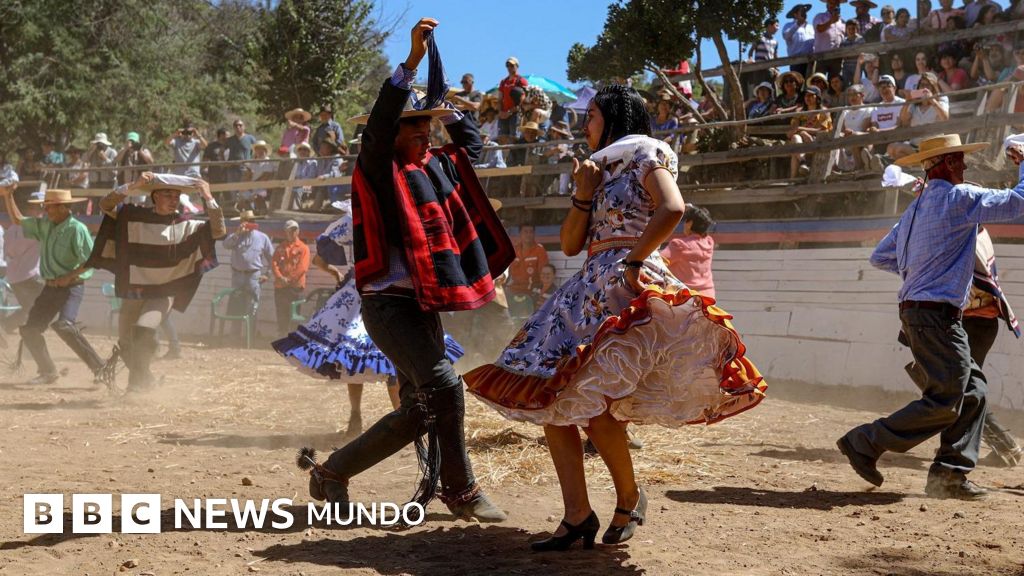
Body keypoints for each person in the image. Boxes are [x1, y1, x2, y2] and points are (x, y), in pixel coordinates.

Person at [464, 84, 766, 551]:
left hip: (627, 285)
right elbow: (569, 244)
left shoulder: (647, 150)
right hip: (588, 285)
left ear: (613, 117)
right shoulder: (596, 169)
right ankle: (577, 516)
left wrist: (632, 263)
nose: (585, 126)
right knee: (553, 402)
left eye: (591, 117)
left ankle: (629, 497)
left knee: (597, 409)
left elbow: (672, 208)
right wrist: (583, 194)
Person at [304, 18, 514, 522]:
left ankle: (332, 472)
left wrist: (446, 106)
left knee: (422, 408)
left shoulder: (434, 166)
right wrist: (413, 64)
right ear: (392, 134)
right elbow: (379, 126)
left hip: (421, 305)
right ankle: (461, 491)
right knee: (445, 385)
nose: (423, 133)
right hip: (387, 305)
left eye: (427, 126)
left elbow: (474, 149)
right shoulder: (378, 167)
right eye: (414, 126)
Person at [838, 134, 1024, 499]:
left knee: (972, 391)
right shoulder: (960, 198)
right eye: (959, 160)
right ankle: (865, 441)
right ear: (947, 164)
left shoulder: (915, 209)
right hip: (938, 315)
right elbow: (1020, 202)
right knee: (949, 397)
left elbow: (880, 256)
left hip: (917, 312)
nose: (965, 166)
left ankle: (950, 475)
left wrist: (920, 273)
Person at [272, 202, 465, 436]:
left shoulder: (349, 220)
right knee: (392, 354)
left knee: (353, 359)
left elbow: (319, 259)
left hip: (357, 290)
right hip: (389, 288)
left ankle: (358, 418)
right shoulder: (394, 214)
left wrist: (336, 273)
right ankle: (403, 420)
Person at [87, 173, 224, 393]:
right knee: (126, 345)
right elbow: (105, 204)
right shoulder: (133, 215)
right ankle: (146, 379)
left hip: (164, 291)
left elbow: (218, 230)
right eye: (167, 194)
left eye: (176, 195)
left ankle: (135, 386)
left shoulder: (187, 224)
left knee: (142, 331)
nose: (173, 199)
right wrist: (133, 186)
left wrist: (208, 197)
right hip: (136, 290)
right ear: (154, 197)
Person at [0, 187, 106, 384]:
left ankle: (101, 368)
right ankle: (48, 371)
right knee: (30, 329)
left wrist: (69, 276)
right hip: (50, 287)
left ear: (64, 208)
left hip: (71, 287)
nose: (46, 210)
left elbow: (92, 260)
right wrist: (8, 196)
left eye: (50, 207)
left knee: (64, 326)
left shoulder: (77, 229)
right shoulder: (46, 225)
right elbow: (17, 220)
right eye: (46, 206)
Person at [964, 224, 1022, 468]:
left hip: (972, 321)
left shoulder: (967, 237)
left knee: (961, 389)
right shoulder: (978, 233)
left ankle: (1006, 444)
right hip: (981, 321)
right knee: (963, 387)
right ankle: (962, 444)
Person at [222, 210, 274, 342]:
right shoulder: (236, 236)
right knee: (236, 304)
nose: (250, 223)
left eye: (252, 221)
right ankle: (235, 336)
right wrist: (237, 233)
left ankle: (249, 337)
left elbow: (273, 259)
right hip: (238, 275)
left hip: (254, 275)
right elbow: (225, 245)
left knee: (252, 306)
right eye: (247, 221)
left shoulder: (262, 237)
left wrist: (268, 274)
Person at [2, 190, 43, 332]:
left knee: (30, 308)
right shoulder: (36, 227)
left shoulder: (12, 228)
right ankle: (9, 326)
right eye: (39, 208)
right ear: (30, 209)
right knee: (38, 309)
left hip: (15, 277)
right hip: (30, 276)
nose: (41, 212)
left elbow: (9, 251)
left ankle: (7, 325)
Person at [660, 204, 716, 299]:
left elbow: (657, 262)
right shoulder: (709, 242)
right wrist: (694, 210)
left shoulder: (679, 245)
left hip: (686, 298)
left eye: (686, 221)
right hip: (708, 297)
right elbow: (703, 219)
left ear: (690, 224)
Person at [888, 73, 949, 160]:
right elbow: (904, 120)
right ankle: (914, 165)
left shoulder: (941, 100)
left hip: (933, 146)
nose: (924, 88)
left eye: (928, 85)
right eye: (922, 85)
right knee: (890, 147)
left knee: (898, 150)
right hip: (915, 146)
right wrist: (907, 101)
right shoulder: (914, 104)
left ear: (934, 87)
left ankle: (887, 162)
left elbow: (945, 118)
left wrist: (932, 100)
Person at [271, 220, 310, 336]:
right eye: (289, 230)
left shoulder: (303, 248)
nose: (292, 232)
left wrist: (288, 279)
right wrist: (280, 277)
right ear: (285, 232)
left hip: (295, 287)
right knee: (281, 314)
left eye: (294, 230)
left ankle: (293, 340)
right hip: (281, 286)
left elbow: (302, 267)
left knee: (294, 315)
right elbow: (274, 263)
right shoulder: (280, 247)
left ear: (298, 231)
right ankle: (282, 337)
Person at [505, 223, 549, 321]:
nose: (528, 234)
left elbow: (544, 275)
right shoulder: (514, 250)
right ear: (520, 234)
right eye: (525, 232)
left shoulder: (539, 250)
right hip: (513, 290)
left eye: (531, 232)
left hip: (531, 291)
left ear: (534, 234)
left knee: (524, 318)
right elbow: (506, 273)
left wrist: (542, 291)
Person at [788, 86, 832, 178]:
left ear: (817, 97)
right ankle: (803, 163)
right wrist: (802, 133)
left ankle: (793, 178)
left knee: (796, 150)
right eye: (805, 96)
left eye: (811, 95)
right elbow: (791, 132)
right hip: (800, 140)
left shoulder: (824, 111)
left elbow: (823, 130)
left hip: (818, 140)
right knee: (796, 139)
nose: (807, 98)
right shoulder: (799, 112)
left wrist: (803, 130)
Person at [813, 0, 847, 79]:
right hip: (821, 57)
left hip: (837, 58)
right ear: (827, 4)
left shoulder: (843, 21)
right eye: (832, 2)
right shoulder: (820, 16)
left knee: (835, 82)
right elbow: (819, 29)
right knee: (819, 81)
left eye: (836, 3)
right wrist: (831, 21)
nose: (834, 5)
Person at [499, 57, 528, 144]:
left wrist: (510, 112)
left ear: (517, 66)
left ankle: (513, 157)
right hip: (504, 113)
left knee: (514, 137)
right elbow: (500, 99)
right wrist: (500, 112)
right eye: (507, 65)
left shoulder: (521, 80)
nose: (509, 67)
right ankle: (504, 157)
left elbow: (523, 99)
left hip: (515, 113)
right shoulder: (504, 81)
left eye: (512, 65)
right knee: (502, 137)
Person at [783, 4, 816, 78]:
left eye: (805, 11)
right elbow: (786, 36)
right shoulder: (788, 25)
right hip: (796, 61)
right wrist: (798, 24)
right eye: (801, 11)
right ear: (795, 14)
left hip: (810, 60)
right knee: (797, 84)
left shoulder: (811, 27)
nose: (804, 13)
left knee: (809, 85)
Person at [225, 118, 257, 184]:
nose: (238, 127)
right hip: (232, 168)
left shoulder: (250, 138)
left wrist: (252, 164)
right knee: (232, 189)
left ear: (244, 127)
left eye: (240, 125)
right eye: (236, 125)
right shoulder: (230, 140)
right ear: (233, 127)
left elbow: (257, 151)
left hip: (245, 168)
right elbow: (222, 151)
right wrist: (225, 163)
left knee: (244, 190)